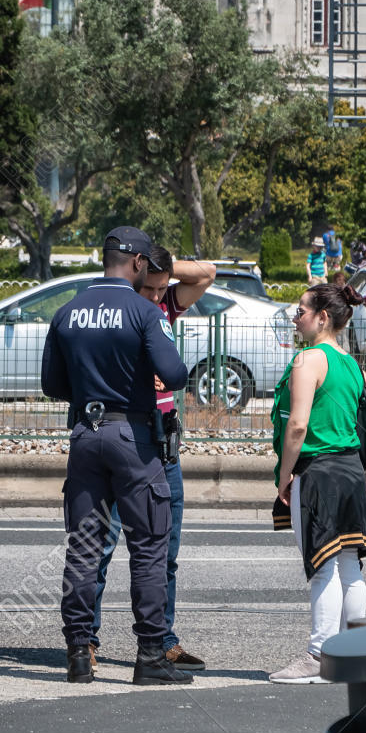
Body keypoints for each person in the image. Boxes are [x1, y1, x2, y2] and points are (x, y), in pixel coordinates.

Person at [41, 227, 191, 686]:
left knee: (85, 547)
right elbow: (175, 373)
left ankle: (79, 654)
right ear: (140, 264)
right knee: (148, 547)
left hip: (85, 435)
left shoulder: (67, 312)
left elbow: (51, 386)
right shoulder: (145, 311)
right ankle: (150, 656)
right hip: (134, 437)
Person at [87, 245, 213, 673]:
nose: (159, 297)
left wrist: (162, 265)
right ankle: (87, 639)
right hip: (127, 439)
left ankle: (162, 640)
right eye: (153, 288)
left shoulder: (161, 311)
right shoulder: (124, 312)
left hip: (163, 443)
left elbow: (207, 275)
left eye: (164, 289)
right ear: (135, 277)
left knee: (165, 550)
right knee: (101, 545)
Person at [267, 283, 366, 685]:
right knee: (349, 564)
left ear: (322, 317)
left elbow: (297, 425)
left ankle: (319, 655)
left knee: (321, 567)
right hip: (351, 471)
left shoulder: (307, 361)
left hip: (318, 472)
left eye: (300, 311)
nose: (296, 318)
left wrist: (284, 476)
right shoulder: (351, 363)